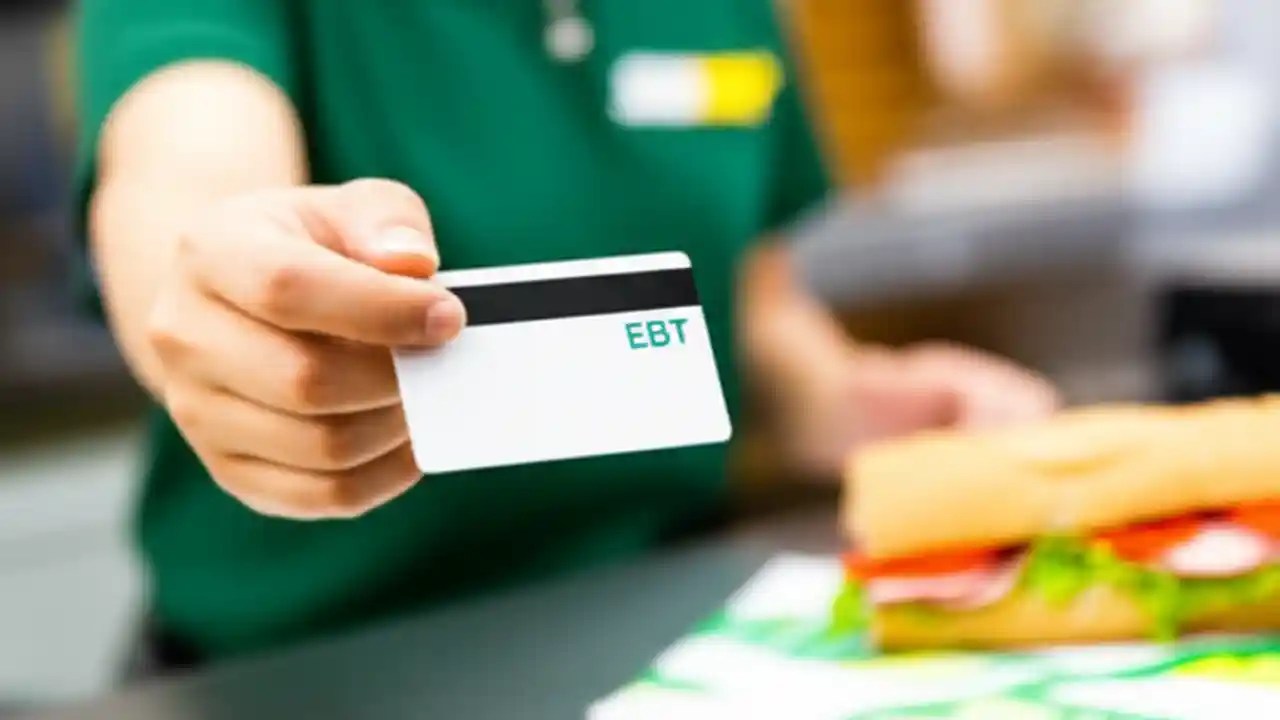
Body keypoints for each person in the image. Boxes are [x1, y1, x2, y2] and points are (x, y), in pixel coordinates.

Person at [77, 0, 1059, 667]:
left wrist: (839, 395)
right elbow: (184, 174)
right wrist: (231, 297)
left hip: (671, 637)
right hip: (309, 664)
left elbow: (748, 298)